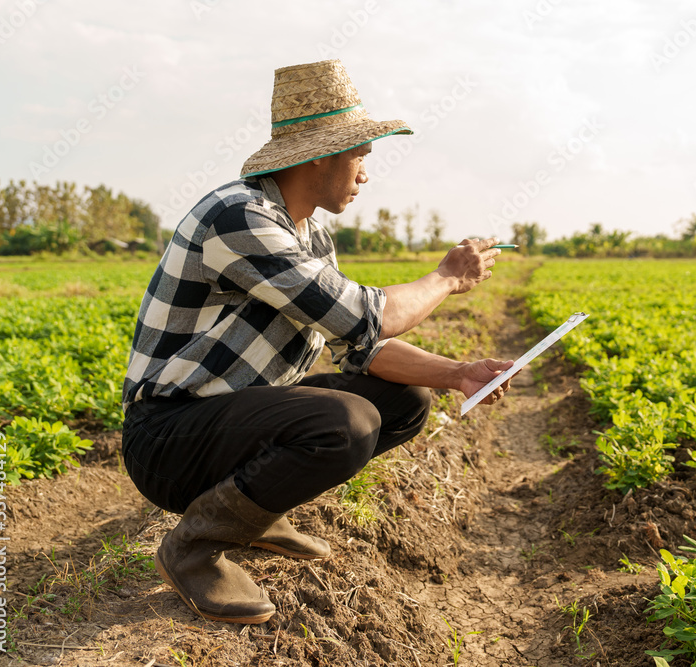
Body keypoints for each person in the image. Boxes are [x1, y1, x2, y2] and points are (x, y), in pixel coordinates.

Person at [121, 60, 513, 625]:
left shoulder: (308, 233)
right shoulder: (239, 216)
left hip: (225, 422)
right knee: (343, 421)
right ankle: (194, 548)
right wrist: (447, 277)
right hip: (167, 437)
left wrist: (457, 373)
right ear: (323, 154)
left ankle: (256, 510)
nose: (365, 175)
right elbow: (364, 315)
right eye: (361, 156)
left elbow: (361, 346)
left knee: (403, 402)